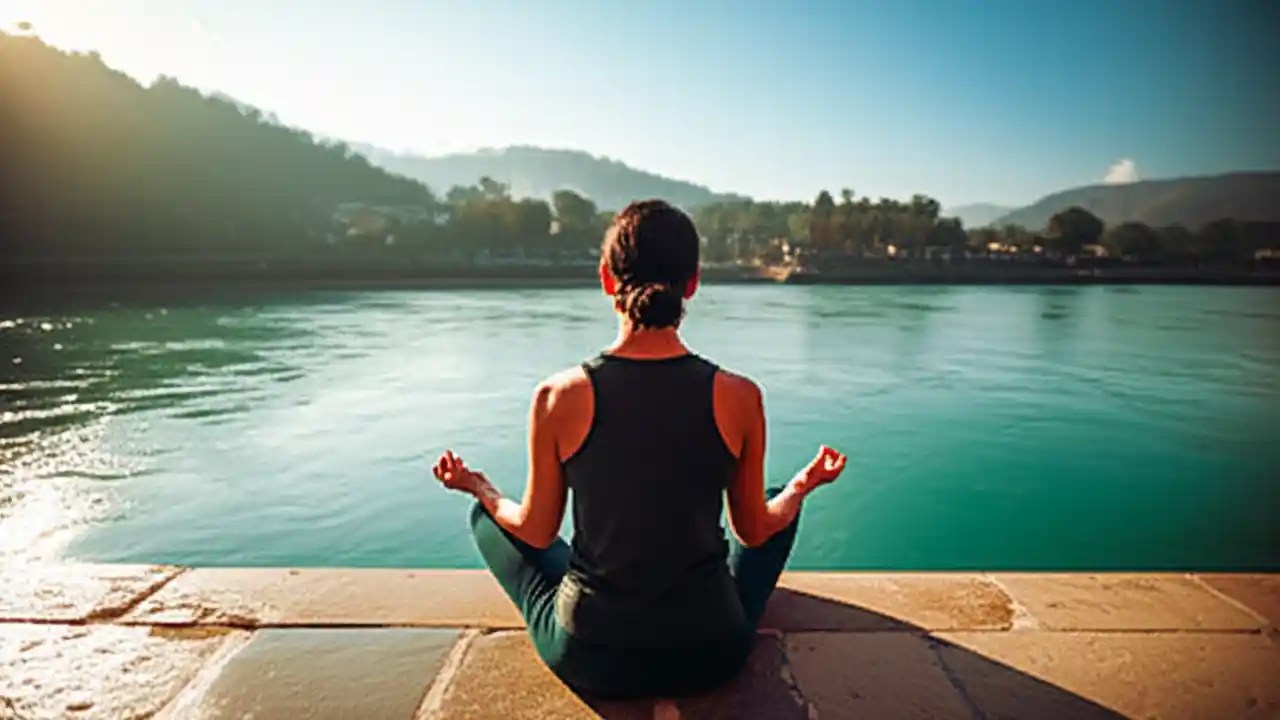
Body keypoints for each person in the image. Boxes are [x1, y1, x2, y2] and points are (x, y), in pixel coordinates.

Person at [431, 199, 846, 698]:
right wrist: (805, 485)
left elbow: (538, 533)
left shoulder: (558, 397)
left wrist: (480, 487)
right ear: (692, 283)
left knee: (487, 519)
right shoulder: (740, 395)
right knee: (779, 500)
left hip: (592, 657)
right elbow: (753, 530)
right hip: (712, 653)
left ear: (606, 279)